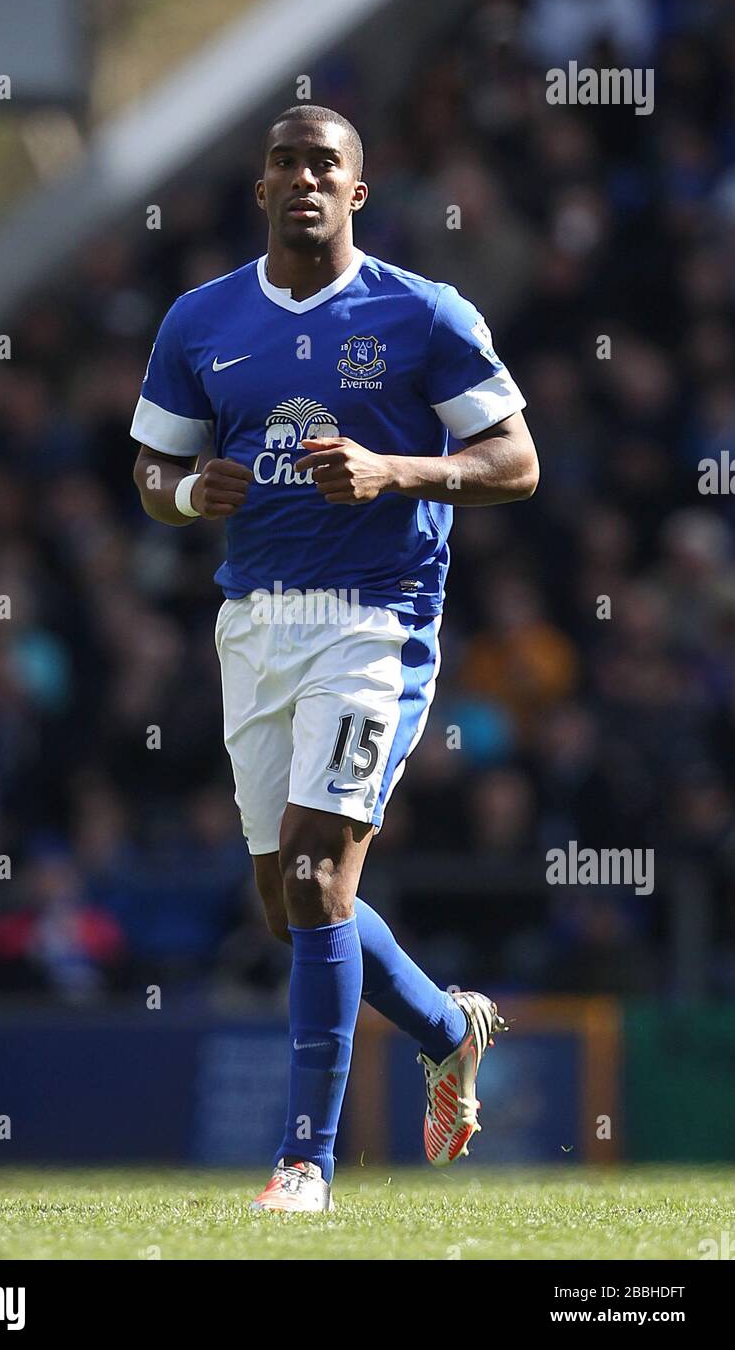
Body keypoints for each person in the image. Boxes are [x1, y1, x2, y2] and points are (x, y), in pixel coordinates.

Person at [131, 105, 539, 1211]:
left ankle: (303, 1160)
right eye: (285, 162)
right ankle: (453, 1029)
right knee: (292, 902)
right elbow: (151, 469)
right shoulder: (201, 319)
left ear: (358, 191)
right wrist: (182, 494)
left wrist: (394, 471)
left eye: (327, 165)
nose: (304, 178)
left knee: (317, 872)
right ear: (259, 187)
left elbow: (516, 461)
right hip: (254, 622)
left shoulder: (422, 313)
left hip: (377, 618)